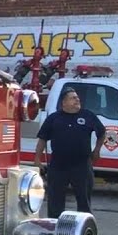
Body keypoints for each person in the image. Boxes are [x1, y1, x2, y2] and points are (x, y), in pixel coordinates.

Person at [35, 87, 102, 219]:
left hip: (82, 166)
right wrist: (37, 159)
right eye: (73, 98)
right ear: (64, 103)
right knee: (55, 201)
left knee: (84, 201)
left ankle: (84, 229)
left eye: (77, 98)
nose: (77, 100)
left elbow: (102, 133)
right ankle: (54, 227)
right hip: (58, 166)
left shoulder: (88, 115)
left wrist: (97, 150)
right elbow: (42, 139)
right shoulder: (54, 118)